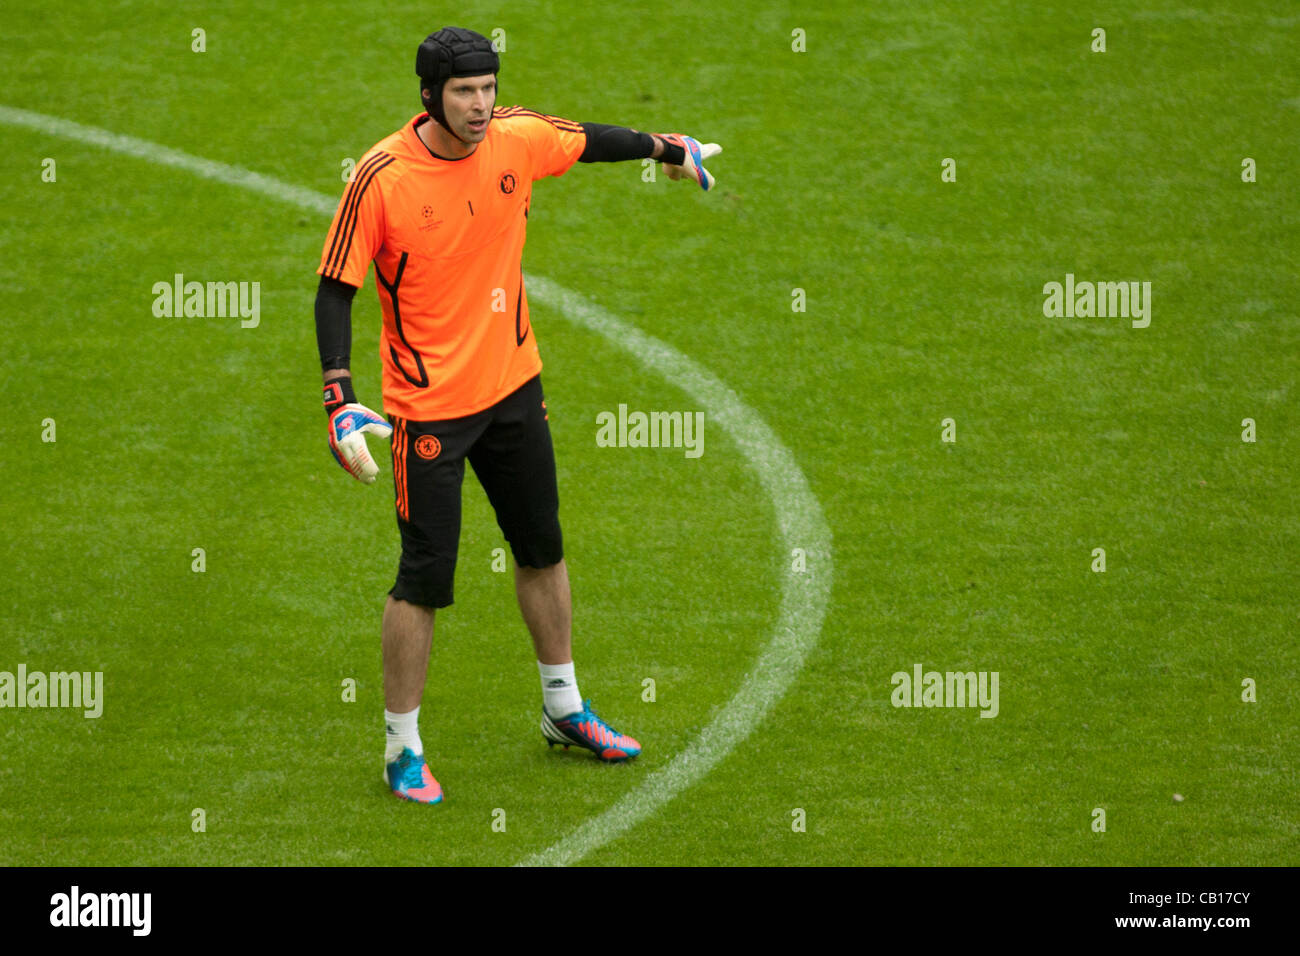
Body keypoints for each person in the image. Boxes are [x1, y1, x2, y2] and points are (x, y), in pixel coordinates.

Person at [313, 26, 722, 804]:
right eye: (465, 91)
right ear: (430, 94)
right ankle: (402, 748)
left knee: (542, 546)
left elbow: (593, 140)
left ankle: (564, 709)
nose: (481, 105)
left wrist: (669, 147)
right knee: (423, 581)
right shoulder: (382, 176)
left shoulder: (514, 140)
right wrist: (338, 396)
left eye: (489, 88)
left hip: (512, 392)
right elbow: (337, 286)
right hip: (427, 412)